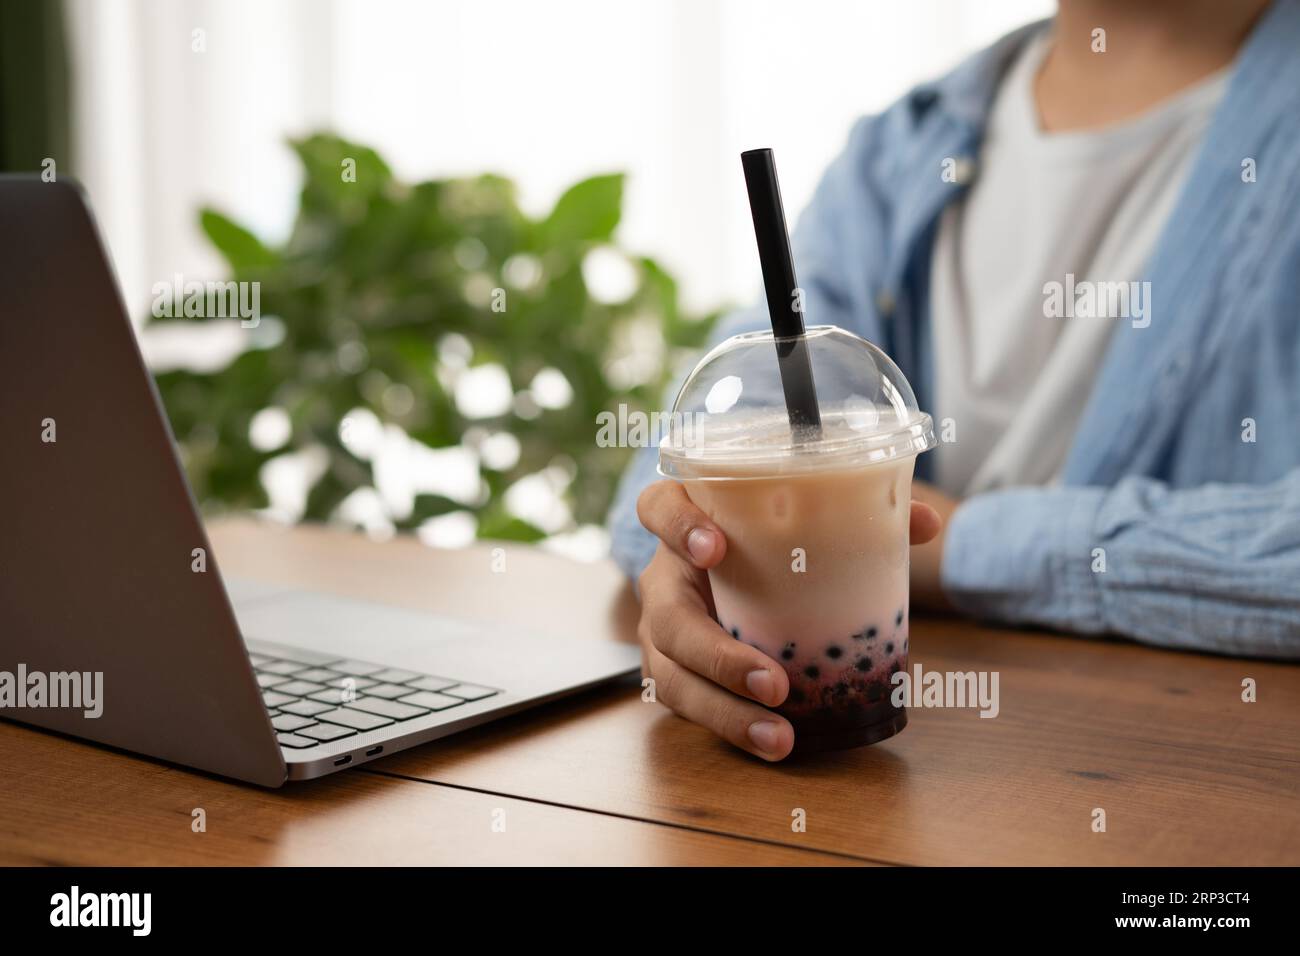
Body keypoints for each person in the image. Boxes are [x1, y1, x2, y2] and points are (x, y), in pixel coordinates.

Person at [605, 0, 1300, 761]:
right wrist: (688, 560)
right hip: (911, 788)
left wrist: (959, 545)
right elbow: (679, 461)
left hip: (1196, 778)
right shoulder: (904, 148)